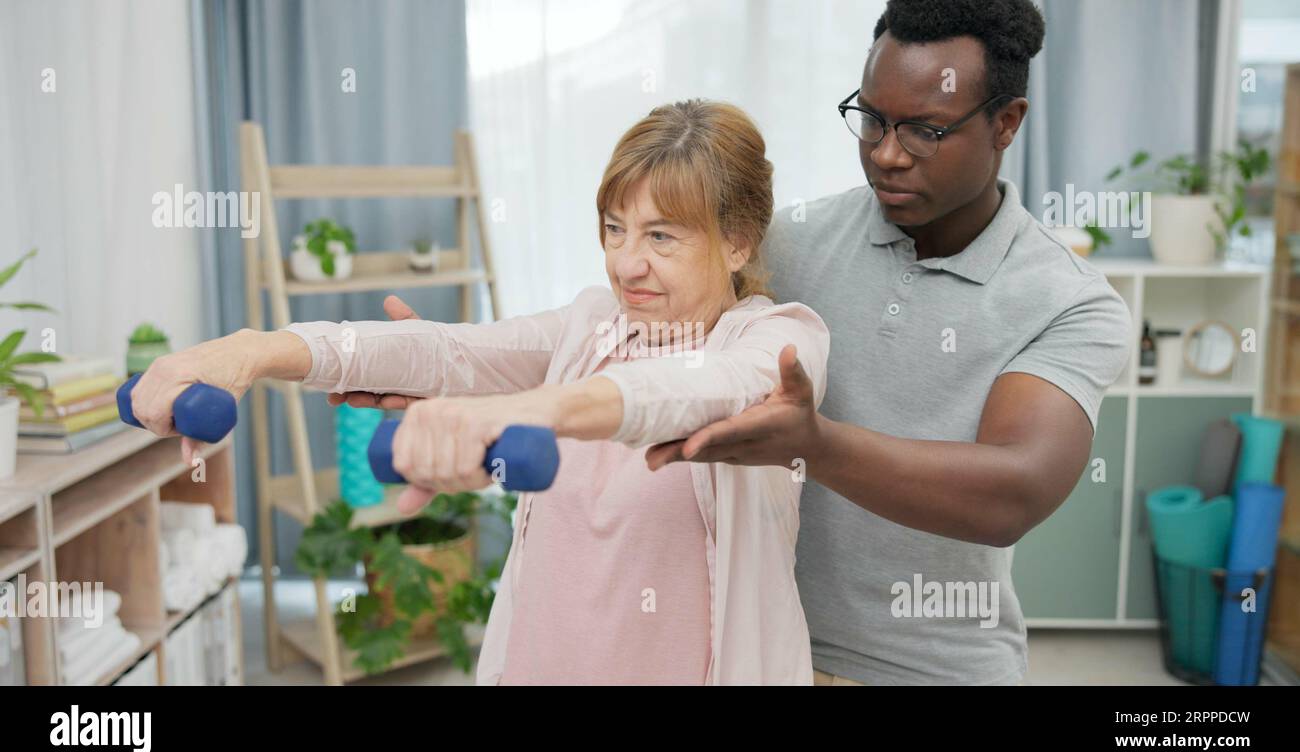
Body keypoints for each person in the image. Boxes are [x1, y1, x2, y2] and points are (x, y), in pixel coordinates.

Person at [128, 100, 830, 685]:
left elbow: (682, 392)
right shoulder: (590, 324)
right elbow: (447, 350)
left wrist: (514, 410)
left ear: (737, 241)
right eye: (615, 229)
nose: (626, 262)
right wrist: (252, 351)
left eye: (661, 236)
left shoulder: (777, 345)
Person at [645, 0, 1130, 685]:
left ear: (1006, 122)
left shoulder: (1067, 300)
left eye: (926, 131)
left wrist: (816, 442)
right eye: (871, 119)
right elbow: (648, 327)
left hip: (937, 670)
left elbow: (1011, 493)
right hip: (763, 651)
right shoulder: (791, 242)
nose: (886, 153)